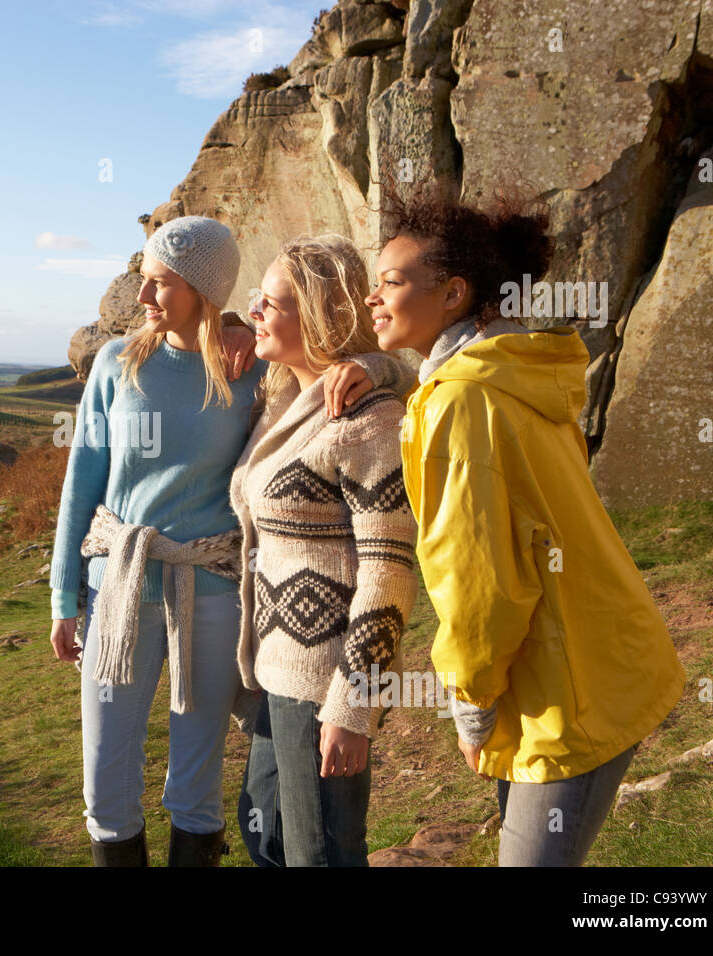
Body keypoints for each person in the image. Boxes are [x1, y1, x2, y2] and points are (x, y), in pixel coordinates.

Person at [47, 216, 409, 866]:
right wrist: (62, 596)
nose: (143, 298)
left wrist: (370, 363)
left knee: (217, 798)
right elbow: (81, 484)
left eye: (159, 283)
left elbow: (346, 383)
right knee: (125, 789)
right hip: (132, 590)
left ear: (200, 287)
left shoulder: (257, 376)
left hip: (224, 603)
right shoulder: (139, 369)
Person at [366, 192, 686, 866]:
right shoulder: (509, 373)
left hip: (570, 691)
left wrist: (469, 704)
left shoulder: (460, 400)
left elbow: (479, 581)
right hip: (586, 659)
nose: (373, 297)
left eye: (392, 281)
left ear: (453, 294)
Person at [230, 235, 419, 867]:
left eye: (268, 302)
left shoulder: (368, 417)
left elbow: (389, 573)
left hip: (325, 678)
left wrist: (353, 701)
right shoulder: (287, 399)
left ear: (315, 314)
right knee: (266, 835)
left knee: (324, 854)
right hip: (276, 671)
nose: (254, 310)